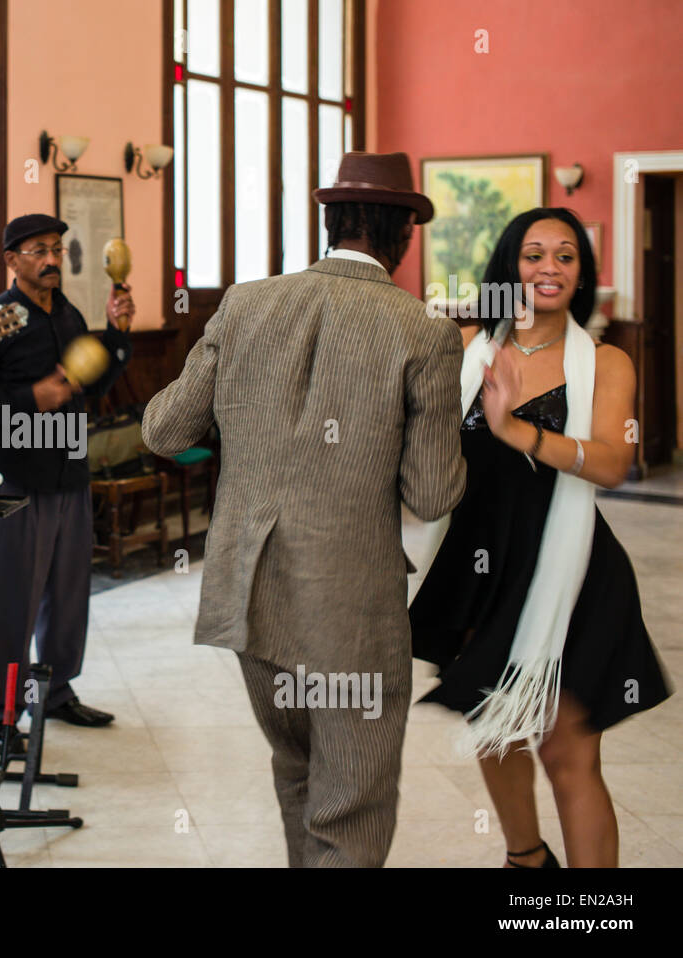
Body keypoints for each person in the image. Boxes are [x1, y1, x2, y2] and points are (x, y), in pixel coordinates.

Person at [142, 152, 466, 867]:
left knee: (296, 771)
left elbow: (165, 430)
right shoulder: (426, 332)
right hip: (350, 610)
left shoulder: (246, 302)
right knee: (351, 805)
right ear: (405, 233)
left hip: (250, 597)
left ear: (329, 221)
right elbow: (433, 491)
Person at [408, 207, 672, 868]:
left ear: (582, 274)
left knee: (566, 749)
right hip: (480, 568)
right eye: (534, 254)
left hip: (574, 569)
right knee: (495, 728)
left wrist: (518, 430)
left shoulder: (605, 362)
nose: (548, 268)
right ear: (510, 264)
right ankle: (526, 862)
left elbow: (612, 463)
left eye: (565, 256)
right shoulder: (466, 344)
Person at [0, 213, 134, 744]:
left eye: (57, 249)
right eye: (38, 250)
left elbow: (91, 388)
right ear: (11, 260)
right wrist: (29, 398)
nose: (52, 260)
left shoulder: (69, 315)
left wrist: (117, 336)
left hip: (70, 471)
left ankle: (55, 693)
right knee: (11, 603)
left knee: (69, 595)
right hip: (15, 482)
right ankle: (0, 716)